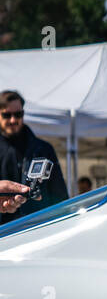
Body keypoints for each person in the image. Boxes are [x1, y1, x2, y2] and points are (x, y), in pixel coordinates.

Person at [0, 89, 68, 227]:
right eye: (7, 115)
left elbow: (59, 194)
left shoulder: (43, 149)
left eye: (18, 114)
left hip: (39, 228)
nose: (13, 120)